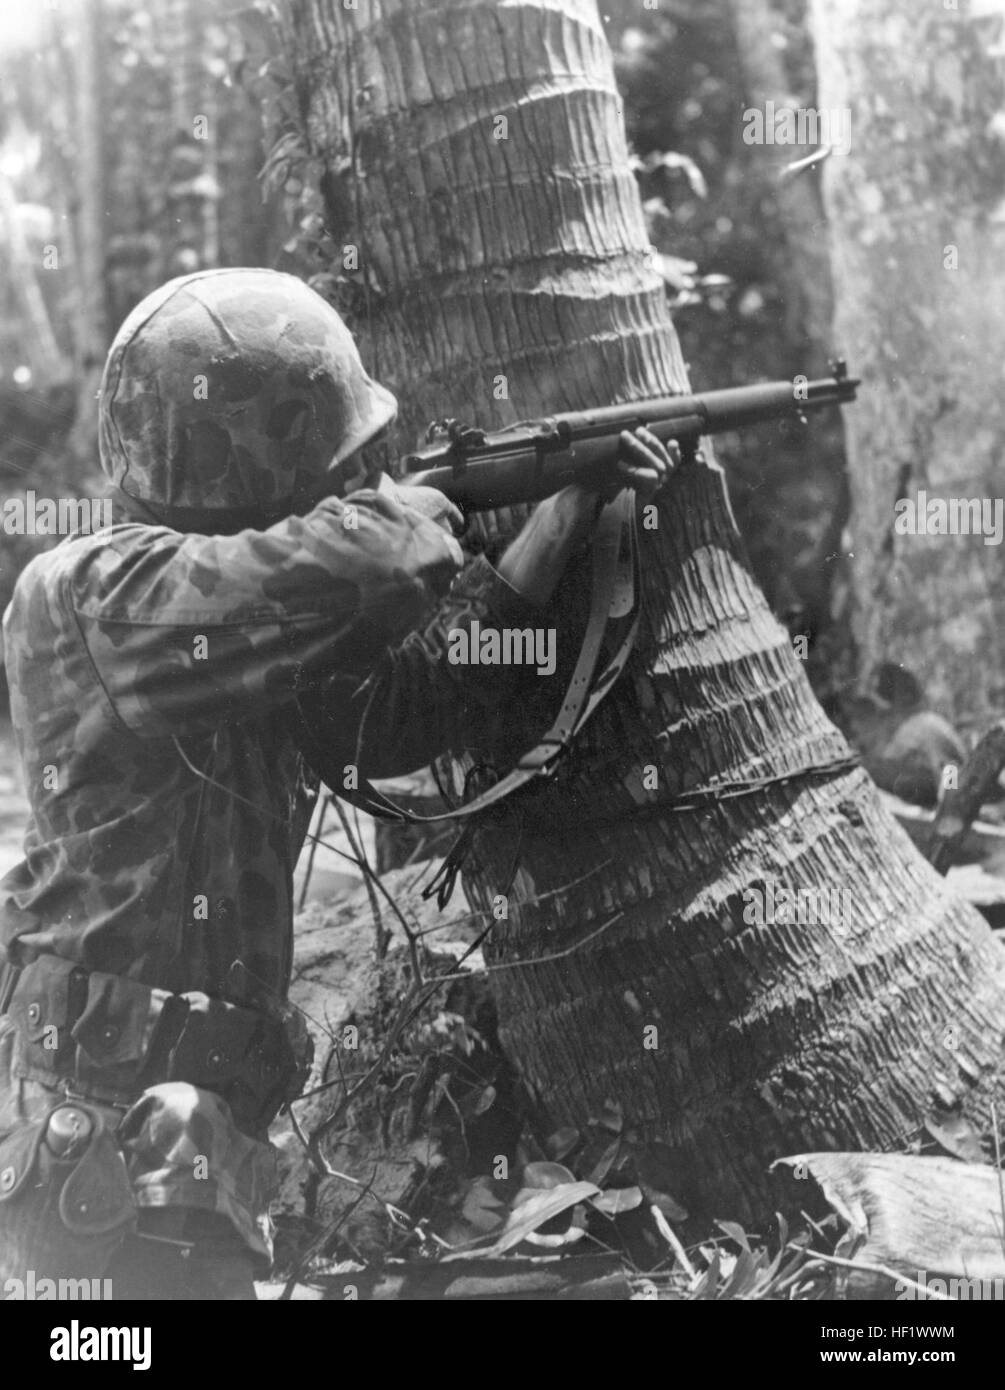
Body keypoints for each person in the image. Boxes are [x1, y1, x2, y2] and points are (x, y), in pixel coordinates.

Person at [0, 268, 672, 1299]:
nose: (342, 484)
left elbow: (401, 716)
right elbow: (365, 567)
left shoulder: (237, 627)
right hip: (89, 1128)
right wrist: (439, 498)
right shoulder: (96, 595)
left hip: (201, 1132)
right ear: (249, 455)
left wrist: (561, 507)